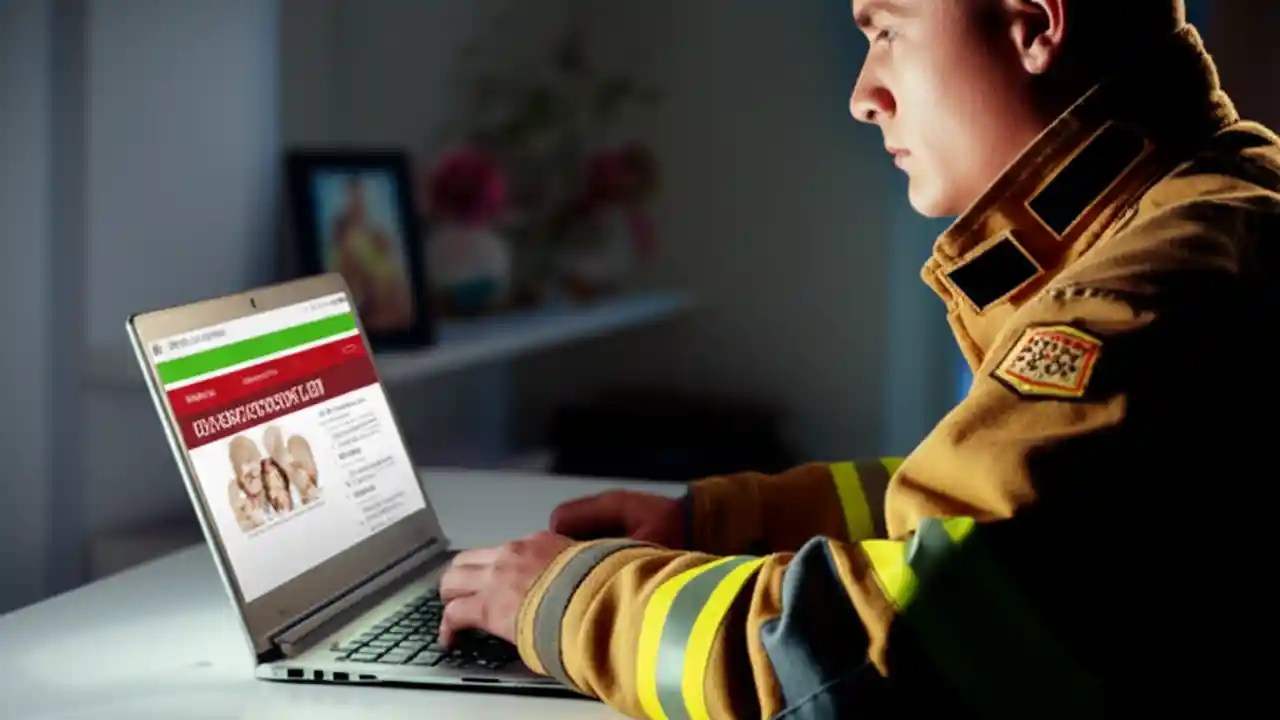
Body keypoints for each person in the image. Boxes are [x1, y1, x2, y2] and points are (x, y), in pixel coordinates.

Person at [439, 0, 1279, 715]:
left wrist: (568, 603)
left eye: (887, 31)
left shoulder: (1139, 302)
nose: (862, 96)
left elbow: (865, 661)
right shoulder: (1212, 204)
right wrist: (719, 525)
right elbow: (1010, 516)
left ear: (1032, 24)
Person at [327, 175, 414, 332]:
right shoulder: (345, 239)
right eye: (354, 198)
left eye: (361, 199)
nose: (359, 204)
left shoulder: (376, 235)